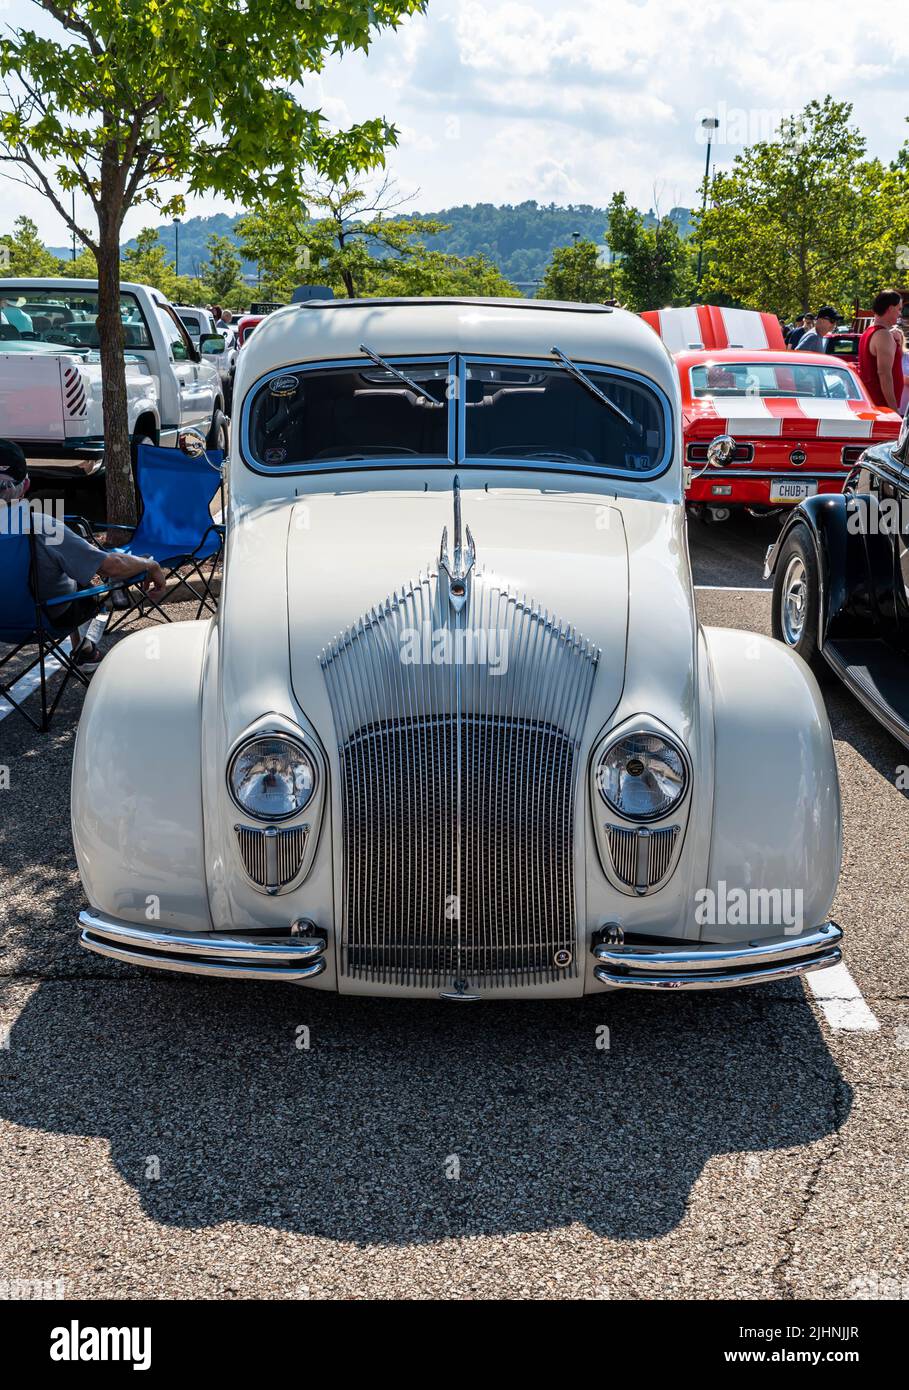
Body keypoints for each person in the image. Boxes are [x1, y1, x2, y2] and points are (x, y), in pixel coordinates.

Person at [0, 440, 166, 671]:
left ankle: (85, 650)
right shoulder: (42, 526)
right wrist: (149, 564)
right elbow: (111, 567)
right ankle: (85, 651)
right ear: (26, 484)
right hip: (43, 621)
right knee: (93, 586)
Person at [857, 290, 904, 412]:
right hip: (882, 407)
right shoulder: (883, 335)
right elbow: (884, 374)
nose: (900, 314)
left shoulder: (869, 331)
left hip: (874, 403)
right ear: (890, 308)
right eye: (899, 309)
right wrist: (893, 409)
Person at [895, 325, 909, 415]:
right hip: (893, 407)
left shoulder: (907, 356)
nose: (896, 343)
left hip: (907, 407)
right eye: (893, 340)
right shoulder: (886, 358)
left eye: (897, 340)